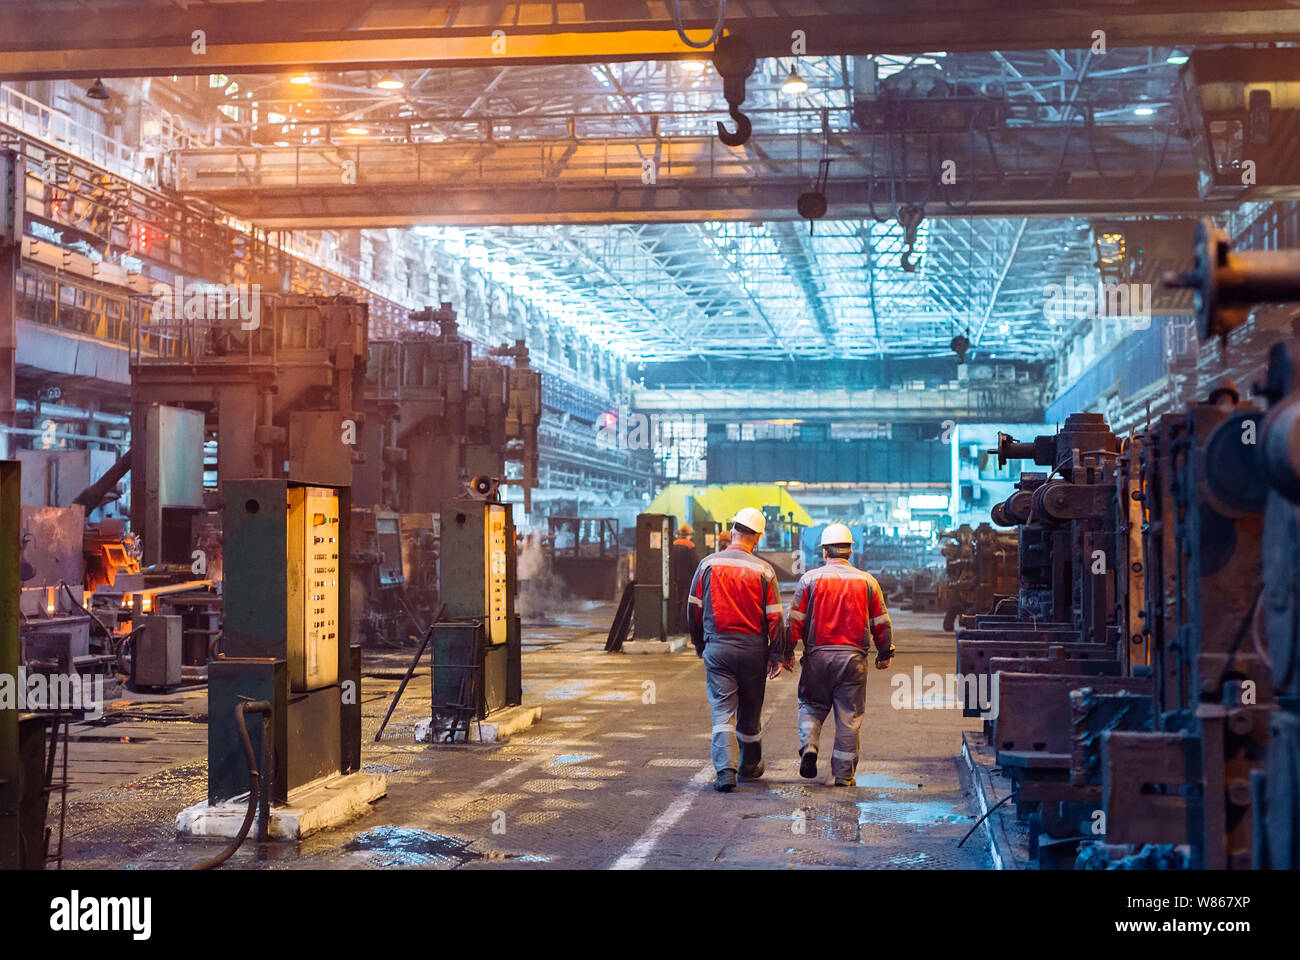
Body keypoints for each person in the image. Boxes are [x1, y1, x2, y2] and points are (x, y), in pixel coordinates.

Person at [782, 523, 895, 787]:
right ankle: (843, 775)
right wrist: (884, 652)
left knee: (810, 705)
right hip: (853, 659)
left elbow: (794, 621)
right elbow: (881, 622)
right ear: (850, 552)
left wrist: (786, 652)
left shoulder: (810, 579)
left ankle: (809, 746)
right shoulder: (867, 581)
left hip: (818, 658)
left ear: (824, 552)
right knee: (849, 716)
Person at [687, 507, 785, 792]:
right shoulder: (764, 570)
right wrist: (775, 653)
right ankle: (750, 766)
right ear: (757, 538)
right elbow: (775, 617)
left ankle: (725, 771)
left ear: (733, 531)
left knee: (722, 711)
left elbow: (694, 609)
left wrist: (699, 644)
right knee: (750, 711)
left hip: (718, 648)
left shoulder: (707, 565)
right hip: (753, 650)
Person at [669, 522, 697, 633]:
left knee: (677, 601)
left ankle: (675, 625)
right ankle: (684, 626)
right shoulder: (690, 546)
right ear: (690, 534)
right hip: (687, 579)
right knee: (686, 602)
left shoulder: (674, 544)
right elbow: (694, 563)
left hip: (675, 578)